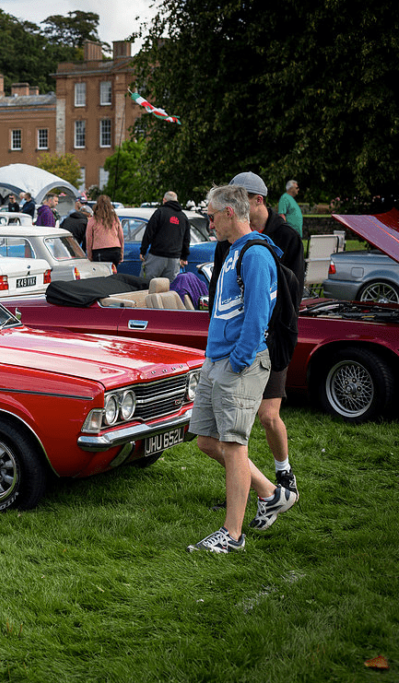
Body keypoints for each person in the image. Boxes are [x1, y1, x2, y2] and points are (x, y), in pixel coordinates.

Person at [188, 183, 297, 553]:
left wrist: (238, 359)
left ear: (230, 213)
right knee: (207, 441)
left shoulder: (255, 254)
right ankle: (270, 493)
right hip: (217, 360)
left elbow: (257, 316)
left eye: (211, 215)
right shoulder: (232, 250)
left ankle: (232, 535)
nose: (209, 222)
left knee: (234, 445)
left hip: (238, 362)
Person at [207, 171, 304, 505]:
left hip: (268, 341)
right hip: (234, 346)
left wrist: (243, 354)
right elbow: (222, 289)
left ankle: (283, 472)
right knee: (224, 436)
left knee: (267, 417)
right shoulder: (229, 242)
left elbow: (286, 296)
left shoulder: (281, 238)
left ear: (254, 201)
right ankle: (258, 489)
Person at [139, 191, 190, 283]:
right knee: (170, 288)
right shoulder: (183, 217)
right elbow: (186, 239)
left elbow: (149, 232)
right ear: (177, 201)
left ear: (164, 200)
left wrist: (143, 250)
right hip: (174, 259)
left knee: (148, 284)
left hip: (157, 255)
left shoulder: (160, 212)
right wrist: (184, 257)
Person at [85, 195, 123, 265]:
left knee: (102, 274)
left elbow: (89, 239)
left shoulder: (94, 220)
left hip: (100, 251)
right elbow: (121, 236)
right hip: (115, 249)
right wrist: (121, 253)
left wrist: (89, 255)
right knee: (113, 273)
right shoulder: (115, 218)